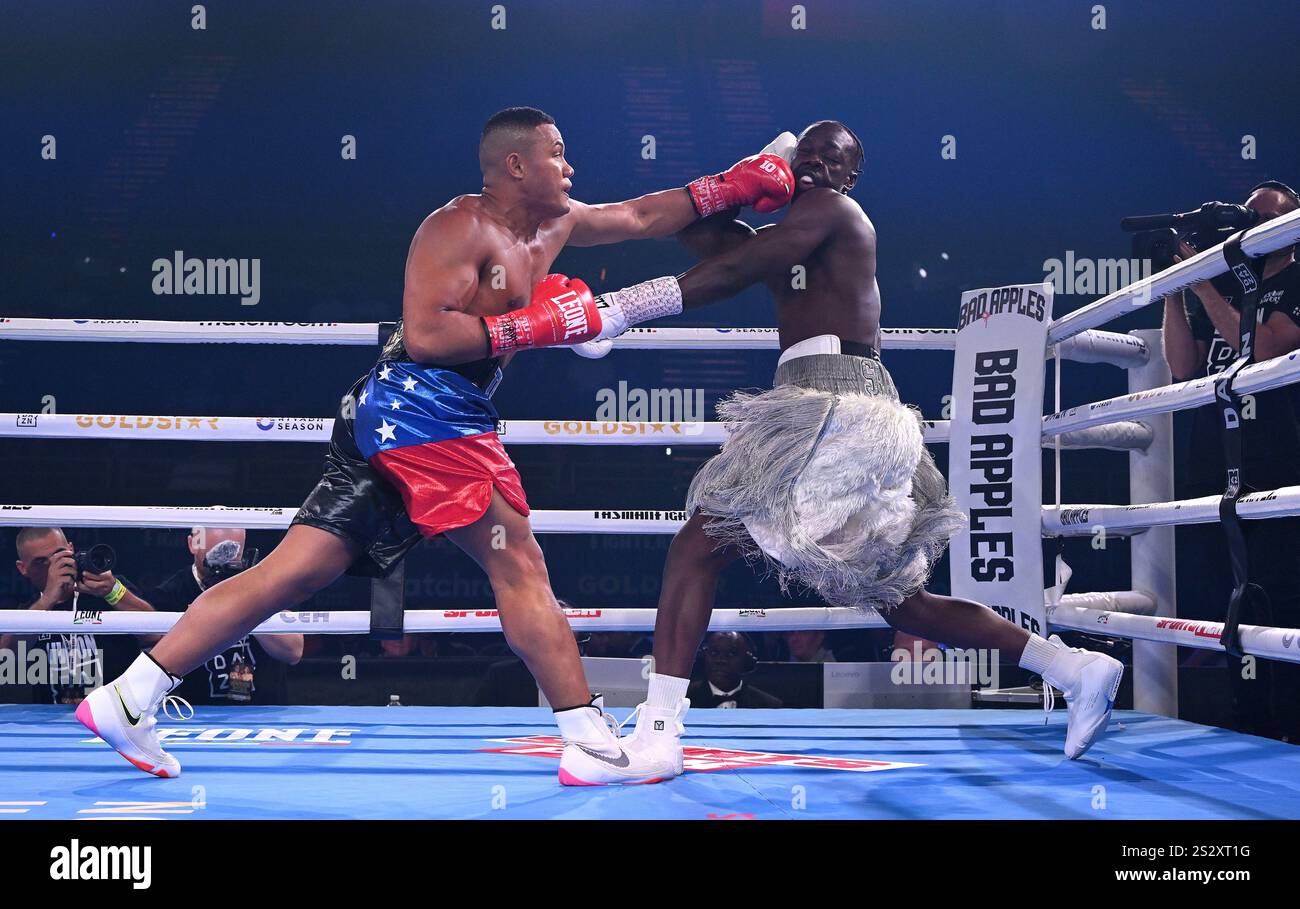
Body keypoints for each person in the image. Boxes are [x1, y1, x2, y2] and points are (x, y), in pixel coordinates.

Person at [75, 106, 793, 785]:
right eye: (557, 154)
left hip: (418, 415)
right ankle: (585, 733)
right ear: (516, 164)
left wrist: (729, 185)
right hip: (424, 409)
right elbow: (426, 336)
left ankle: (130, 696)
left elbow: (640, 214)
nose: (571, 167)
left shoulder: (555, 224)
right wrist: (538, 327)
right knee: (519, 559)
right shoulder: (457, 228)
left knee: (295, 572)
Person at [599, 121, 1123, 777]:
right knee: (901, 600)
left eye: (831, 157)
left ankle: (658, 732)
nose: (815, 163)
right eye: (806, 154)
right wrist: (751, 174)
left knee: (699, 542)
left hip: (836, 409)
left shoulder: (833, 213)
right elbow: (700, 233)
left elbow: (737, 266)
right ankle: (1074, 667)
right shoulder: (795, 238)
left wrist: (622, 307)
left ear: (851, 176)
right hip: (823, 408)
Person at [1162, 180, 1300, 741]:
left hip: (1278, 463)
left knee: (1284, 598)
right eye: (1249, 217)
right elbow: (1181, 366)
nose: (1253, 228)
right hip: (1214, 464)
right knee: (1230, 601)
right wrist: (1174, 286)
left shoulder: (1297, 281)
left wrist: (1206, 287)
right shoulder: (1225, 284)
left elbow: (1267, 349)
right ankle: (1248, 716)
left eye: (1267, 219)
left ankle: (1288, 721)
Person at [143, 528, 303, 706]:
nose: (223, 561)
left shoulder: (266, 582)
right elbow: (154, 658)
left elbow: (294, 651)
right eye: (217, 553)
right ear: (193, 544)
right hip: (198, 715)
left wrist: (248, 597)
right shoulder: (173, 593)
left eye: (231, 552)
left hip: (265, 712)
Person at [1, 528, 151, 705]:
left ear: (71, 549)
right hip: (50, 721)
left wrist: (113, 592)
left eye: (60, 555)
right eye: (41, 562)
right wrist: (49, 599)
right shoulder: (27, 612)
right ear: (23, 568)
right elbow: (5, 659)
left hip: (117, 715)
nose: (54, 567)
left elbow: (156, 636)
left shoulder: (105, 588)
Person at [687, 631, 781, 708]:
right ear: (703, 657)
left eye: (731, 653)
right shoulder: (681, 700)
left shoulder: (769, 706)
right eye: (714, 652)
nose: (721, 660)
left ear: (747, 660)